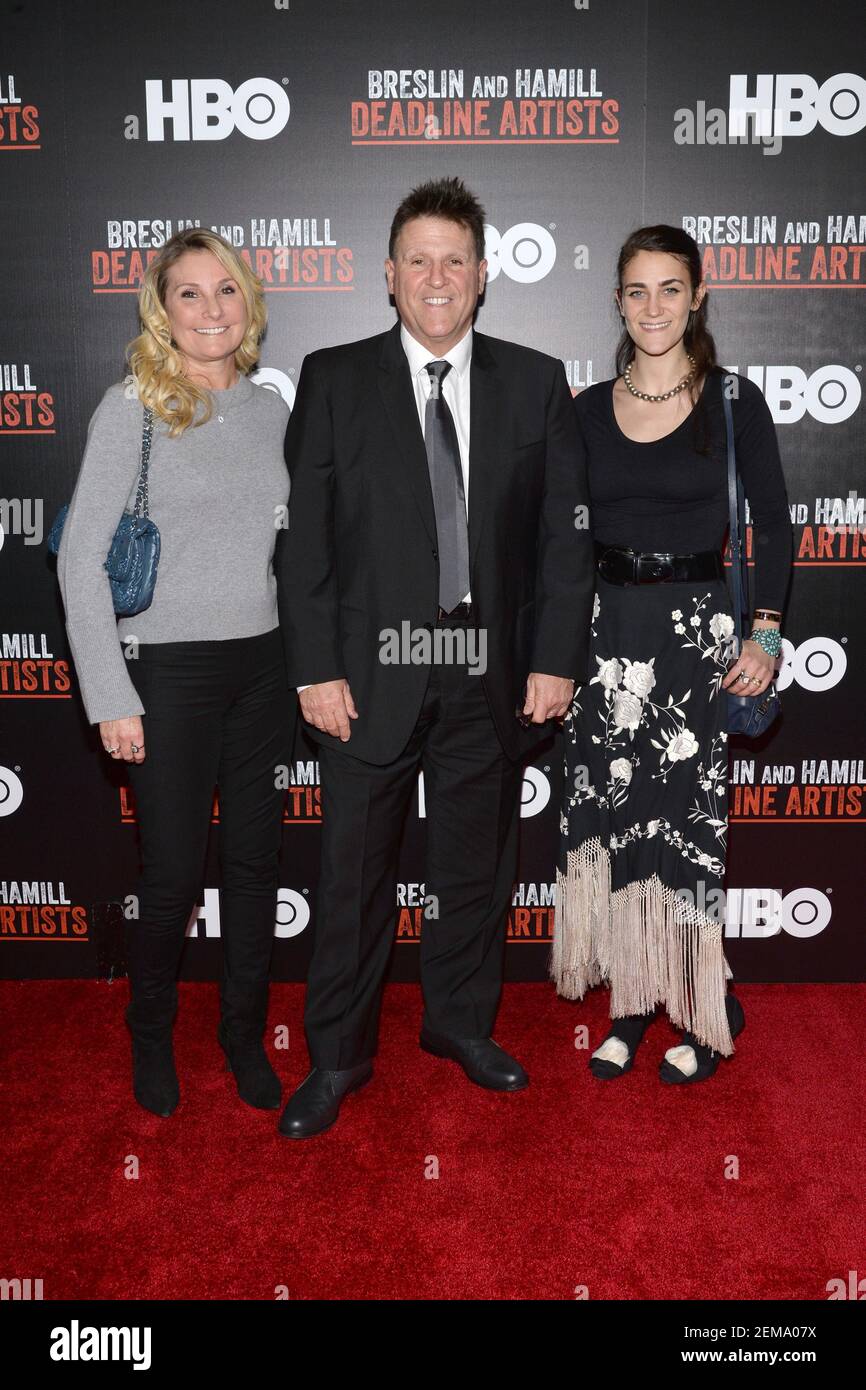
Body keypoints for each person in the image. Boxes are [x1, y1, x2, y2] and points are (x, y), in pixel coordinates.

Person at [277, 175, 594, 1138]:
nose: (437, 276)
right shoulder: (332, 376)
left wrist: (553, 657)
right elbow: (306, 544)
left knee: (475, 873)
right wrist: (313, 666)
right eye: (418, 259)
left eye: (455, 259)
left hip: (489, 668)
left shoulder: (536, 381)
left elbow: (561, 539)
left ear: (485, 275)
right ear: (388, 274)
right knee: (351, 877)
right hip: (369, 669)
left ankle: (458, 1026)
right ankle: (335, 1056)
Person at [57, 228, 295, 1117]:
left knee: (255, 863)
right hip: (165, 674)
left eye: (224, 290)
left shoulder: (272, 410)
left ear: (248, 302)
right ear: (162, 310)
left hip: (262, 667)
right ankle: (149, 1033)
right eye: (189, 294)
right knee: (170, 878)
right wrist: (108, 694)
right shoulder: (133, 407)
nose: (210, 310)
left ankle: (242, 1035)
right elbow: (80, 559)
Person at [553, 224, 793, 1083]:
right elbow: (560, 540)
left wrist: (765, 633)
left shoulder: (734, 402)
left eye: (669, 288)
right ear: (617, 300)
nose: (652, 306)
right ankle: (628, 1003)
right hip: (605, 640)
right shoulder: (581, 411)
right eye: (635, 290)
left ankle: (701, 1004)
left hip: (695, 643)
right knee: (615, 826)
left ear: (697, 295)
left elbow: (774, 520)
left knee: (686, 836)